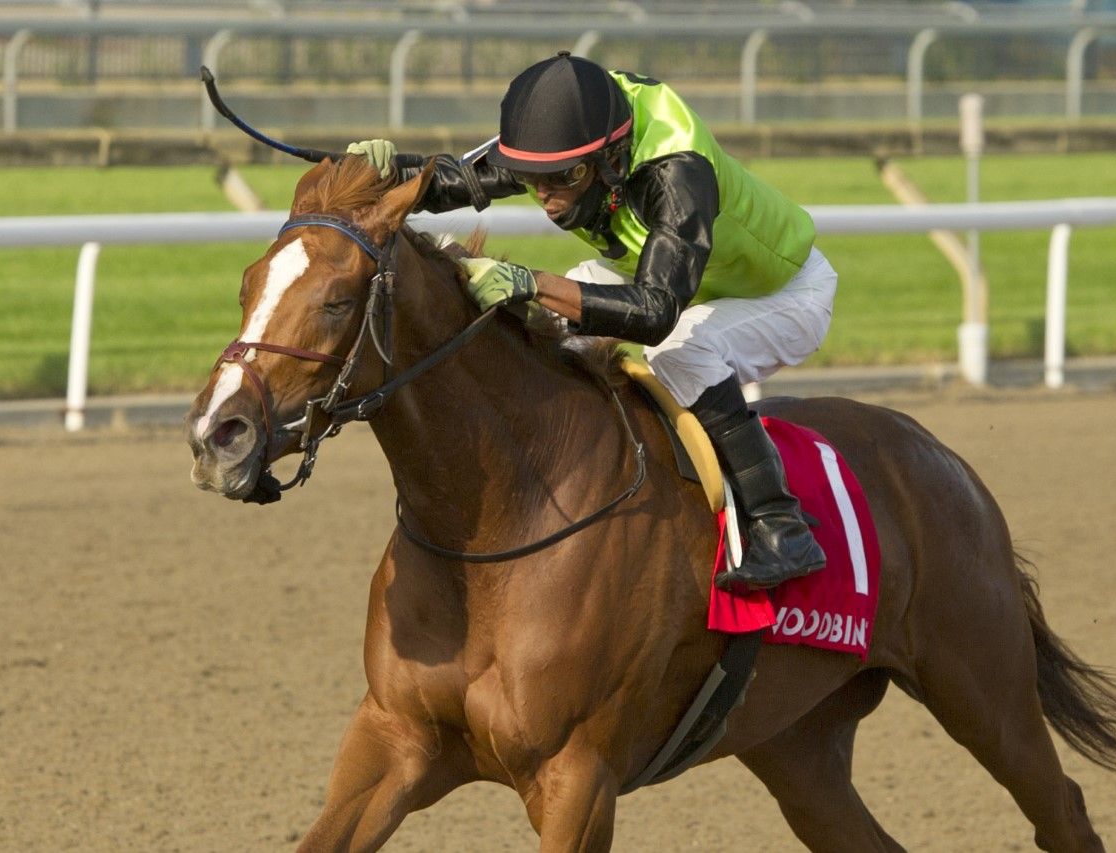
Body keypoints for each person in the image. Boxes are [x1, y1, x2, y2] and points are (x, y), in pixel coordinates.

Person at [349, 51, 837, 593]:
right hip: (674, 280)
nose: (546, 200)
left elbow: (655, 315)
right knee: (553, 319)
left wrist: (533, 281)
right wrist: (386, 173)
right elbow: (458, 182)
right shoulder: (569, 135)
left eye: (559, 181)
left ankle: (780, 523)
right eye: (533, 181)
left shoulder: (678, 171)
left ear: (608, 160)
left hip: (783, 293)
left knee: (679, 349)